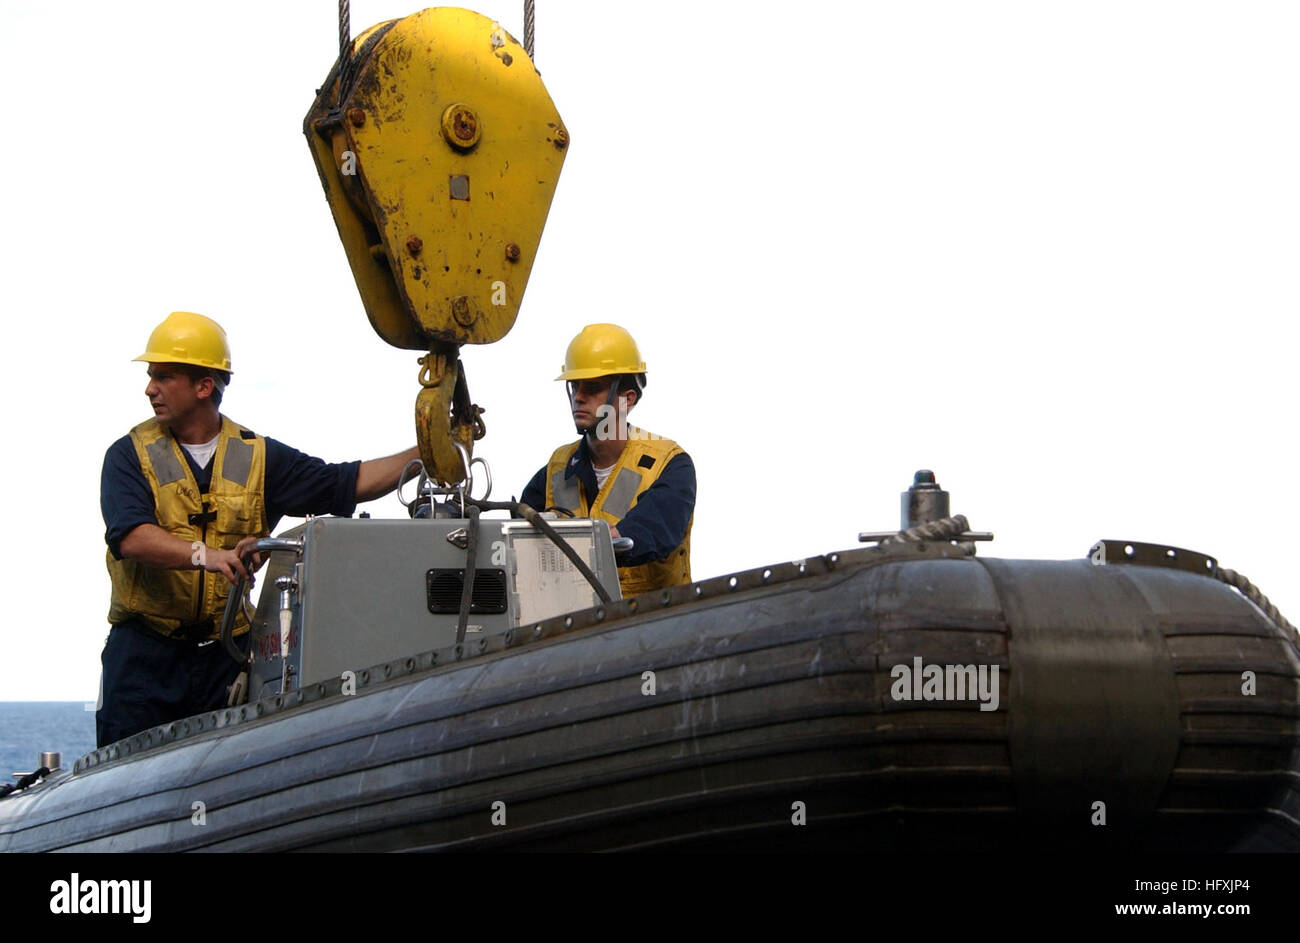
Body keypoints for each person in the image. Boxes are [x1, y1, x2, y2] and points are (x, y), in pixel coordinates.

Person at [97, 311, 419, 747]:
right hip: (142, 660)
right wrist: (207, 556)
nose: (149, 388)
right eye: (152, 376)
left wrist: (428, 450)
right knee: (126, 784)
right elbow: (131, 536)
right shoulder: (128, 455)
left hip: (224, 658)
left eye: (163, 376)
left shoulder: (260, 458)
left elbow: (346, 482)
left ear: (203, 386)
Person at [520, 323, 695, 597]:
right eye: (574, 386)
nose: (578, 397)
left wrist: (610, 539)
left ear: (626, 399)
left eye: (593, 388)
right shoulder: (558, 467)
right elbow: (518, 536)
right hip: (574, 627)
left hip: (653, 625)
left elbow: (656, 527)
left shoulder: (668, 464)